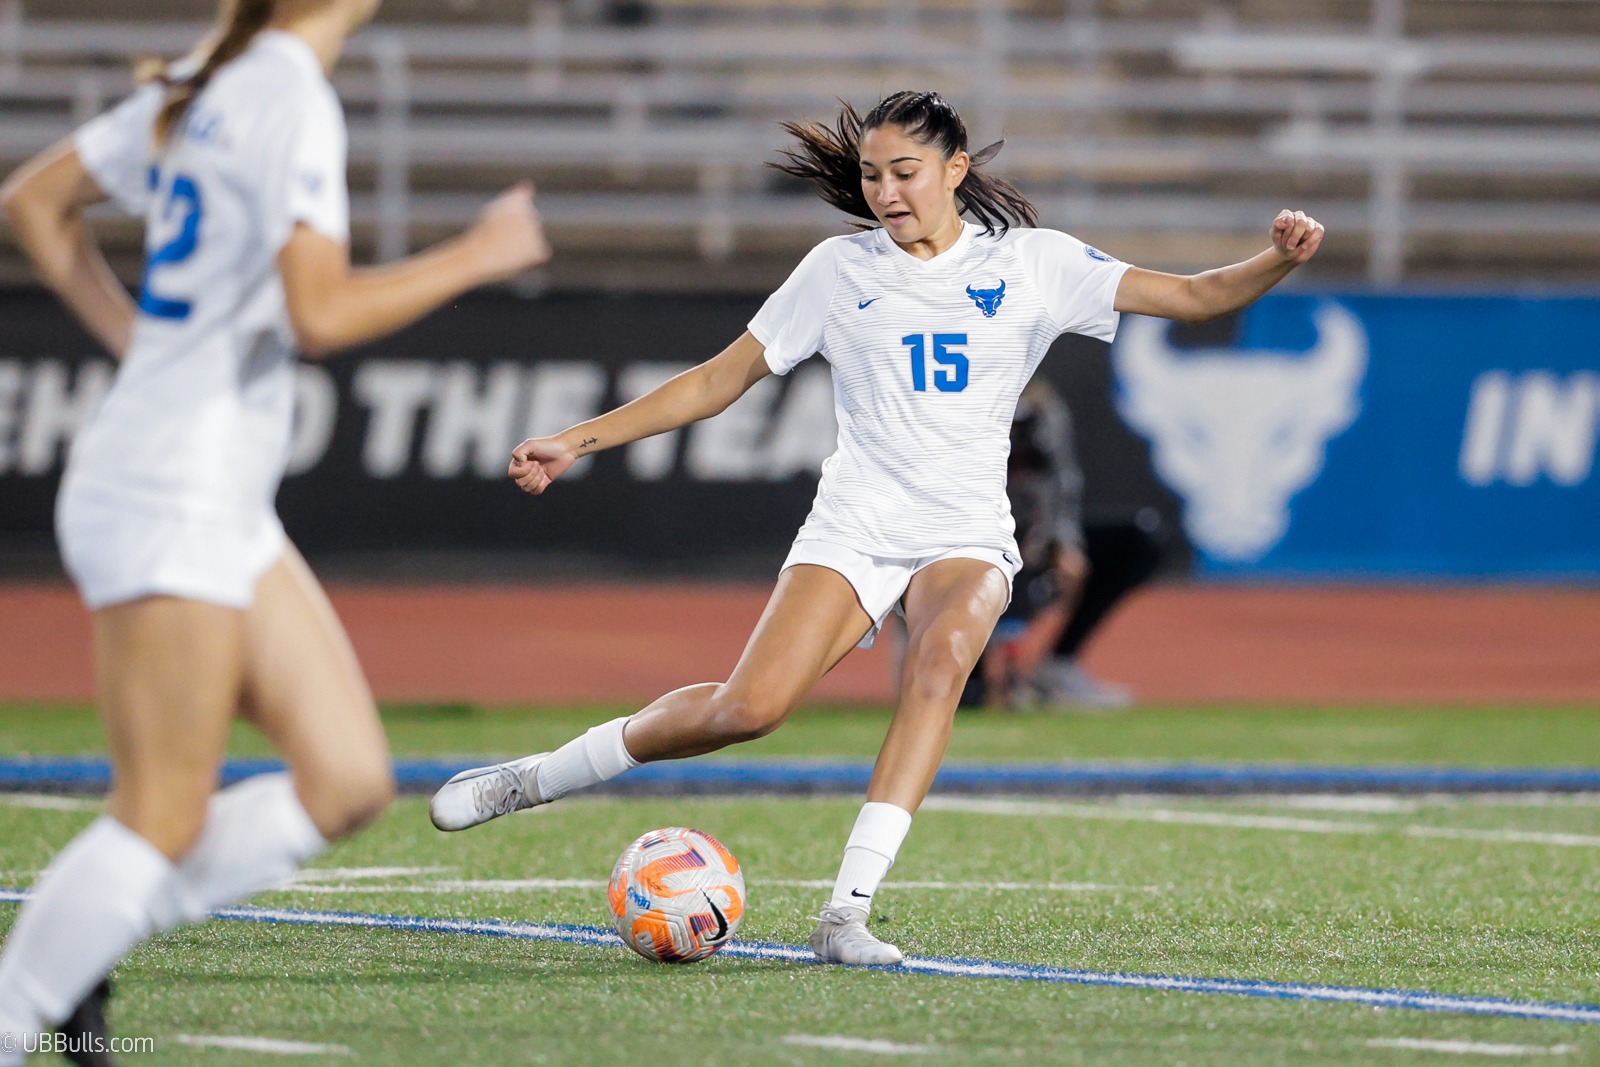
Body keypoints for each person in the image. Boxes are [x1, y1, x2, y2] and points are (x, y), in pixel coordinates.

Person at [430, 89, 1323, 966]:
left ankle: (845, 911)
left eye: (905, 172)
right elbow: (715, 381)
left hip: (965, 529)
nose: (885, 192)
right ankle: (534, 777)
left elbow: (1198, 295)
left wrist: (1275, 259)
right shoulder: (838, 269)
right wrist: (577, 440)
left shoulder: (1034, 262)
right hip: (856, 523)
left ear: (956, 169)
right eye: (871, 175)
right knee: (748, 709)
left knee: (941, 664)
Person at [0, 0, 548, 1060]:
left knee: (346, 778)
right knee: (162, 809)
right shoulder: (286, 92)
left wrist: (140, 345)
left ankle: (77, 944)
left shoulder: (218, 74)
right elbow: (320, 313)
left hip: (206, 488)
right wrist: (478, 253)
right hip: (173, 486)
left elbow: (32, 202)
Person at [966, 378, 1165, 710]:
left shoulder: (1039, 401)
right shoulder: (948, 397)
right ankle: (958, 667)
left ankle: (1058, 664)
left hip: (1032, 535)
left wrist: (1063, 542)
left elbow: (1063, 481)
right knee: (966, 697)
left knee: (1137, 539)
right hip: (963, 541)